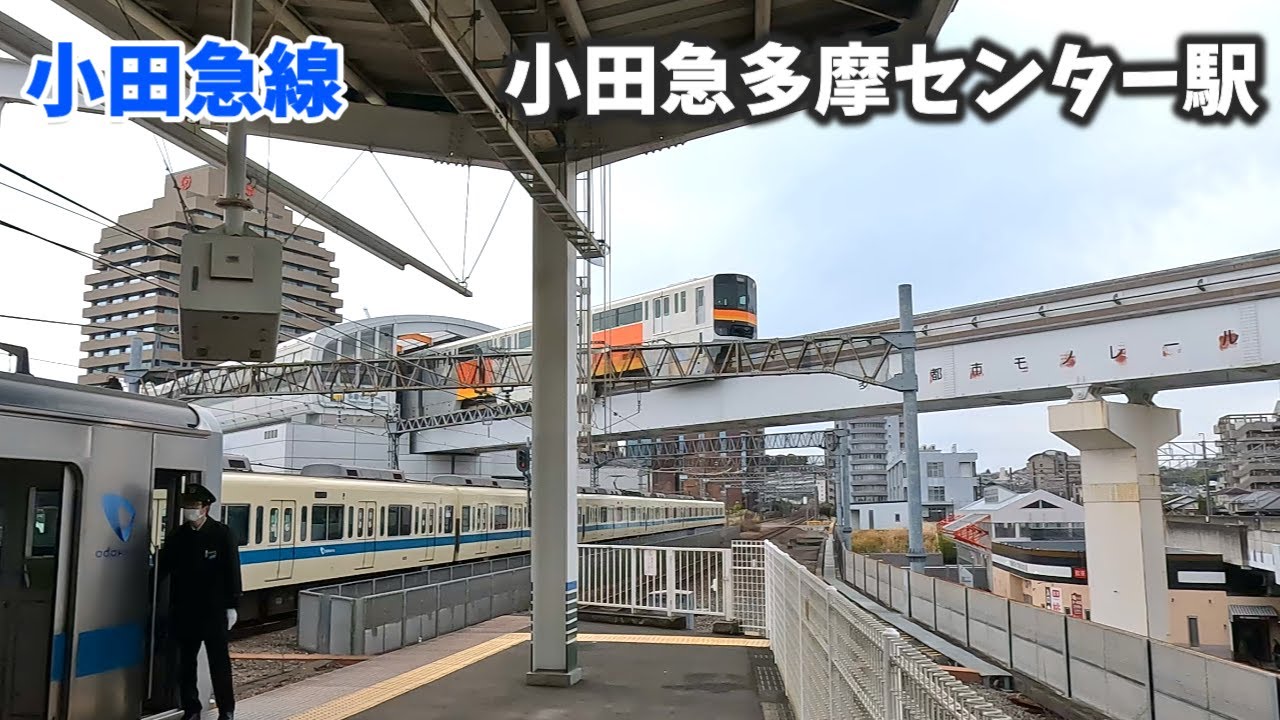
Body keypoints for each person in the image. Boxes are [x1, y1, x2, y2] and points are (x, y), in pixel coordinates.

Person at [158, 483, 241, 720]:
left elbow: (232, 570)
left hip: (214, 611)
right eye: (187, 506)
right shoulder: (178, 535)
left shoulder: (222, 533)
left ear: (206, 508)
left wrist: (232, 604)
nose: (189, 510)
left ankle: (227, 709)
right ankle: (191, 708)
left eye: (194, 506)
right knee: (185, 663)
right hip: (184, 610)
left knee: (219, 663)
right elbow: (164, 568)